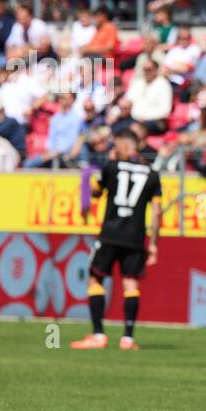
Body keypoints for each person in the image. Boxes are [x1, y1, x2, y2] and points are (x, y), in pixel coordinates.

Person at [71, 129, 162, 351]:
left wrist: (90, 178)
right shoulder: (152, 174)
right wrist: (153, 245)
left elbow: (94, 193)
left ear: (123, 144)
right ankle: (128, 339)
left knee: (95, 280)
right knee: (131, 284)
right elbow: (158, 213)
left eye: (116, 145)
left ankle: (99, 335)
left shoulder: (111, 167)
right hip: (135, 236)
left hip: (110, 233)